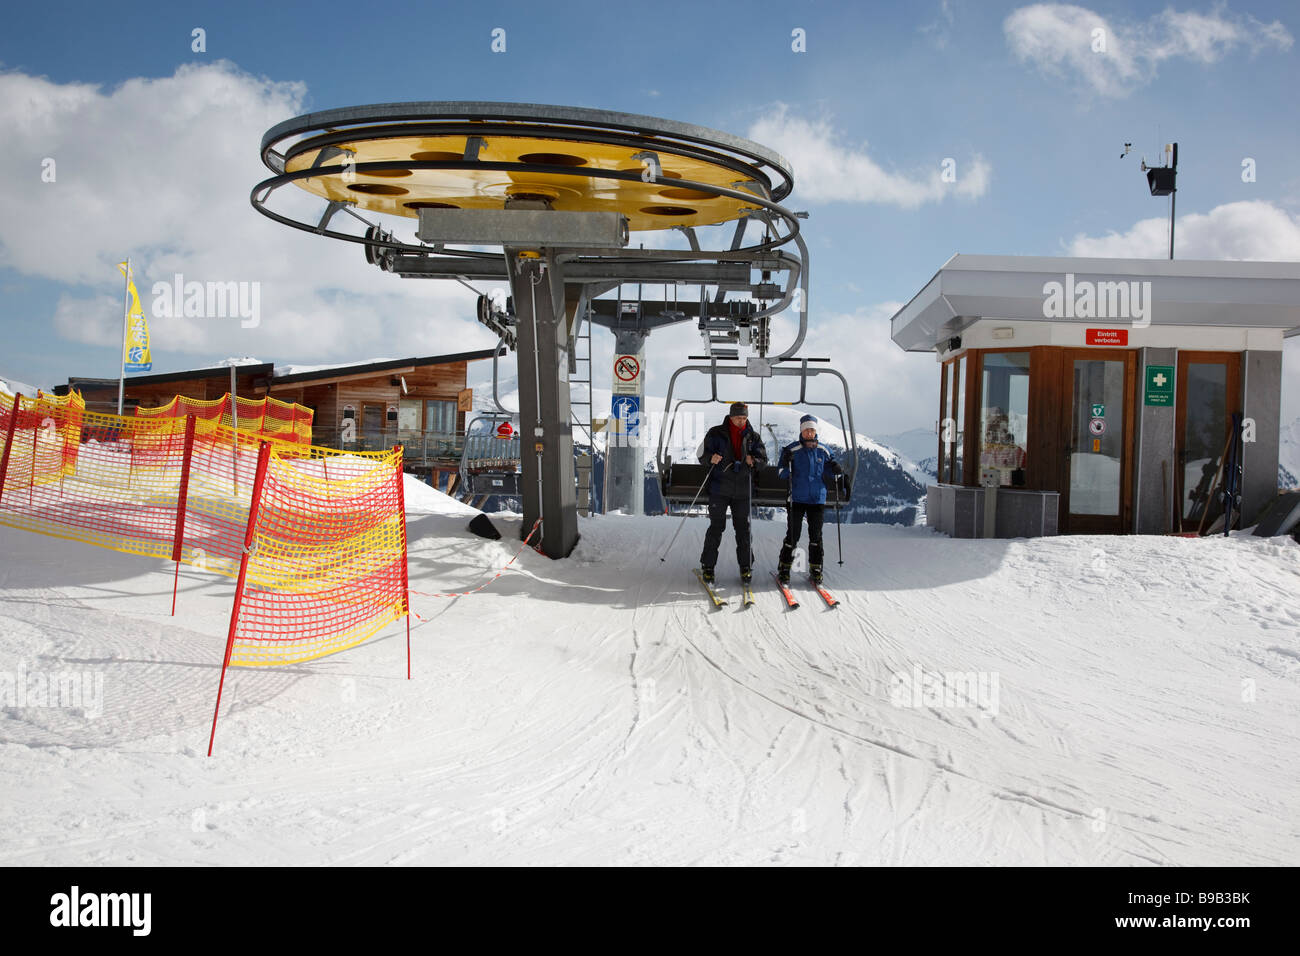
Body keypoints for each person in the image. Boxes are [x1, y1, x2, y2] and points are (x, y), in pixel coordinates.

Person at [697, 402, 768, 584]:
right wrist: (709, 458)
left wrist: (755, 461)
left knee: (743, 529)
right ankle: (708, 567)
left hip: (743, 490)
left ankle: (746, 567)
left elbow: (764, 460)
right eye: (738, 418)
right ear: (730, 417)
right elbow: (701, 455)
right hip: (720, 488)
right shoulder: (715, 433)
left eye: (744, 418)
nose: (741, 421)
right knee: (716, 527)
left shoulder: (753, 436)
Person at [776, 414, 845, 584]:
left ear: (816, 431)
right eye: (806, 430)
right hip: (797, 498)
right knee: (793, 535)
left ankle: (816, 568)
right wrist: (785, 462)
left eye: (812, 430)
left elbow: (830, 471)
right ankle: (784, 568)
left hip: (817, 499)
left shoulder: (824, 450)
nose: (809, 433)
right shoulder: (791, 450)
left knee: (816, 536)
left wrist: (835, 469)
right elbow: (781, 473)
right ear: (801, 430)